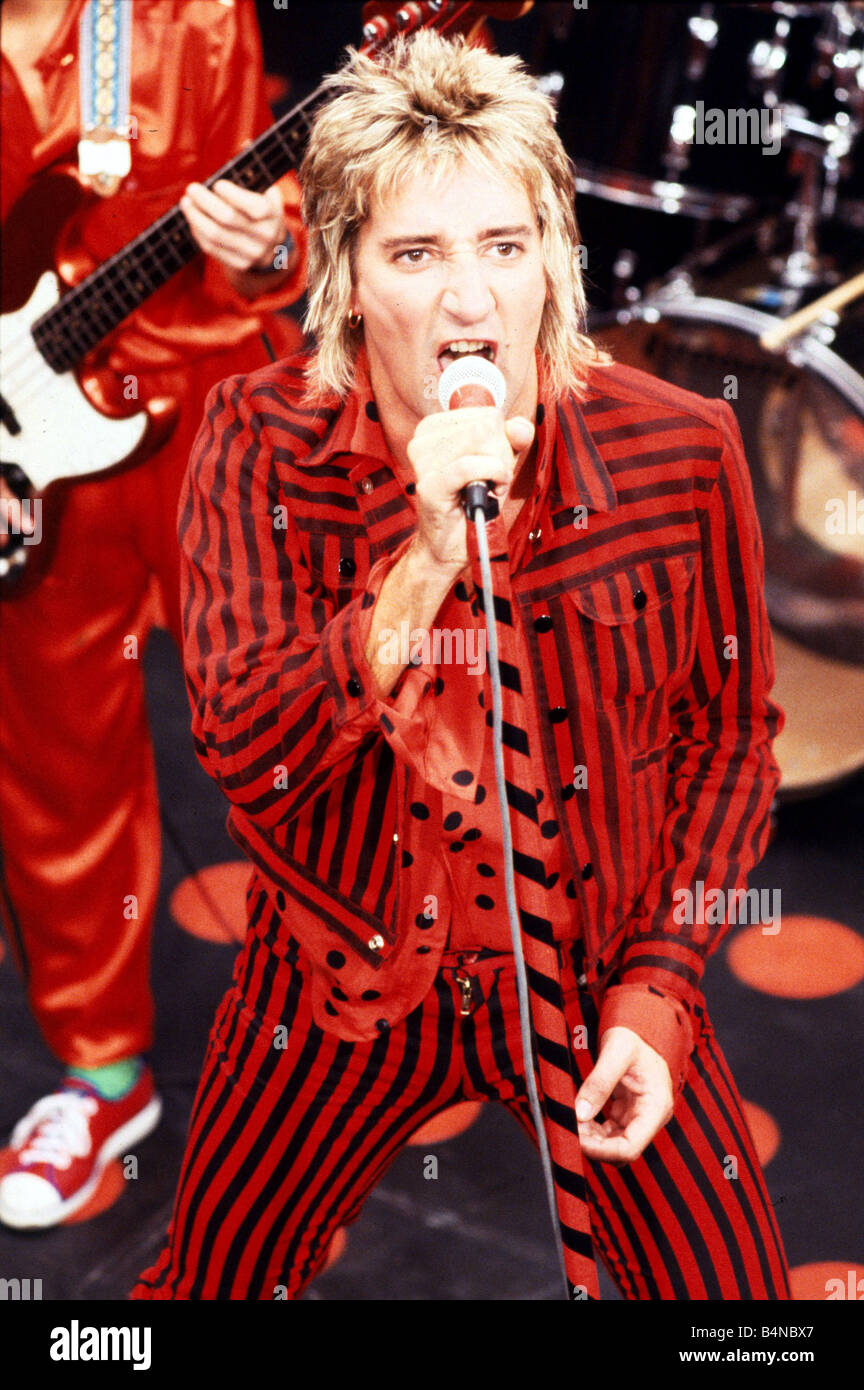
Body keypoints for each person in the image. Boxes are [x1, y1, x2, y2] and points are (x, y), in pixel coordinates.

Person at [132, 30, 790, 1300]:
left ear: (559, 259)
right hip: (337, 977)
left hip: (602, 966)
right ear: (339, 274)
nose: (473, 299)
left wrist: (658, 994)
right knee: (204, 1291)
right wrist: (423, 563)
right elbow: (246, 755)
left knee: (740, 1318)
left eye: (506, 246)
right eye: (417, 254)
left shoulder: (685, 450)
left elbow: (729, 746)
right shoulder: (258, 447)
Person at [0, 0, 307, 1228]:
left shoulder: (197, 14)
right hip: (31, 431)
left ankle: (352, 1046)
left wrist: (266, 251)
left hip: (224, 406)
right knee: (56, 760)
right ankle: (101, 1074)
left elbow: (294, 253)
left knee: (303, 731)